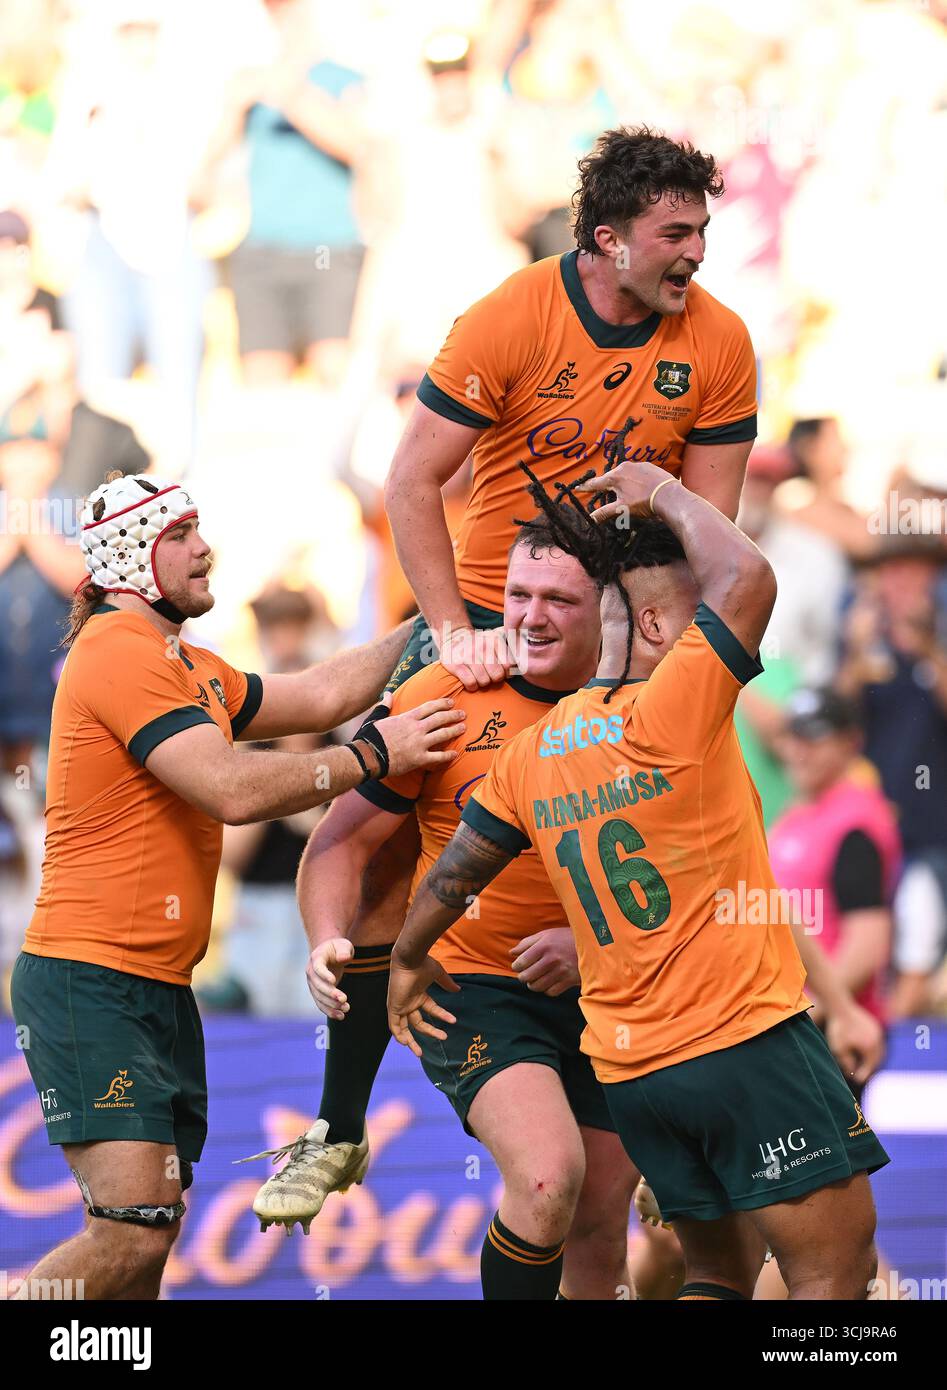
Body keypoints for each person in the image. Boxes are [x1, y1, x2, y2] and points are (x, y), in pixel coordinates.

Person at [388, 456, 890, 1301]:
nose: (707, 633)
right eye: (688, 617)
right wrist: (664, 489)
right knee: (836, 1271)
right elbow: (749, 577)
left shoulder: (534, 751)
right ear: (659, 628)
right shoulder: (680, 704)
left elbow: (457, 866)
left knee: (714, 1275)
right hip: (743, 1040)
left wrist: (405, 958)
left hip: (634, 1075)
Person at [9, 469, 464, 1300]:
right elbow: (231, 788)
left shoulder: (179, 660)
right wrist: (373, 756)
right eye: (178, 535)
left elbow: (323, 690)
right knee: (127, 1235)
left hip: (150, 984)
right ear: (132, 562)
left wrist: (436, 622)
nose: (203, 548)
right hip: (91, 981)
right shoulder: (119, 652)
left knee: (150, 1242)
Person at [249, 524, 640, 1299]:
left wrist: (589, 940)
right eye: (517, 596)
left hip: (615, 988)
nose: (529, 618)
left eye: (558, 599)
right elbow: (339, 843)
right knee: (544, 1180)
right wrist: (327, 940)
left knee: (598, 1222)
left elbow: (697, 864)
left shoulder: (644, 705)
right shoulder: (444, 695)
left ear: (609, 609)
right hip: (468, 986)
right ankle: (337, 1126)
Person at [385, 124, 759, 698]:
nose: (698, 254)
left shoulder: (723, 340)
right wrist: (455, 636)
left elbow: (706, 525)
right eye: (677, 234)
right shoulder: (510, 316)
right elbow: (411, 480)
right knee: (392, 769)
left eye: (702, 232)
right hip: (494, 625)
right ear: (611, 241)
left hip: (626, 638)